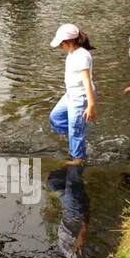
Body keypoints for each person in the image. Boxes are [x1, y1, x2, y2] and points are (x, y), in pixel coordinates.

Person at [48, 23, 96, 166]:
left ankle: (78, 159)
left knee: (75, 127)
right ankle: (76, 138)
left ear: (68, 42)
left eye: (60, 44)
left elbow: (86, 80)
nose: (59, 47)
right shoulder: (72, 52)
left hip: (81, 97)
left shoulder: (82, 56)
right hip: (70, 94)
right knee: (55, 117)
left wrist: (91, 104)